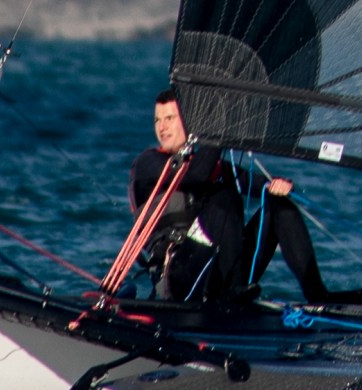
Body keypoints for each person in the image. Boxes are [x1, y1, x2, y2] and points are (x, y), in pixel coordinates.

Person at [130, 88, 328, 306]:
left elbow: (253, 183)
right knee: (224, 195)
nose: (162, 127)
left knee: (278, 204)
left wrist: (277, 185)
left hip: (221, 274)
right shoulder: (148, 163)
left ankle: (317, 295)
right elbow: (197, 174)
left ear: (189, 121)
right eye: (157, 120)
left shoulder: (208, 165)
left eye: (169, 118)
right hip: (180, 277)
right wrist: (219, 130)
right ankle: (232, 291)